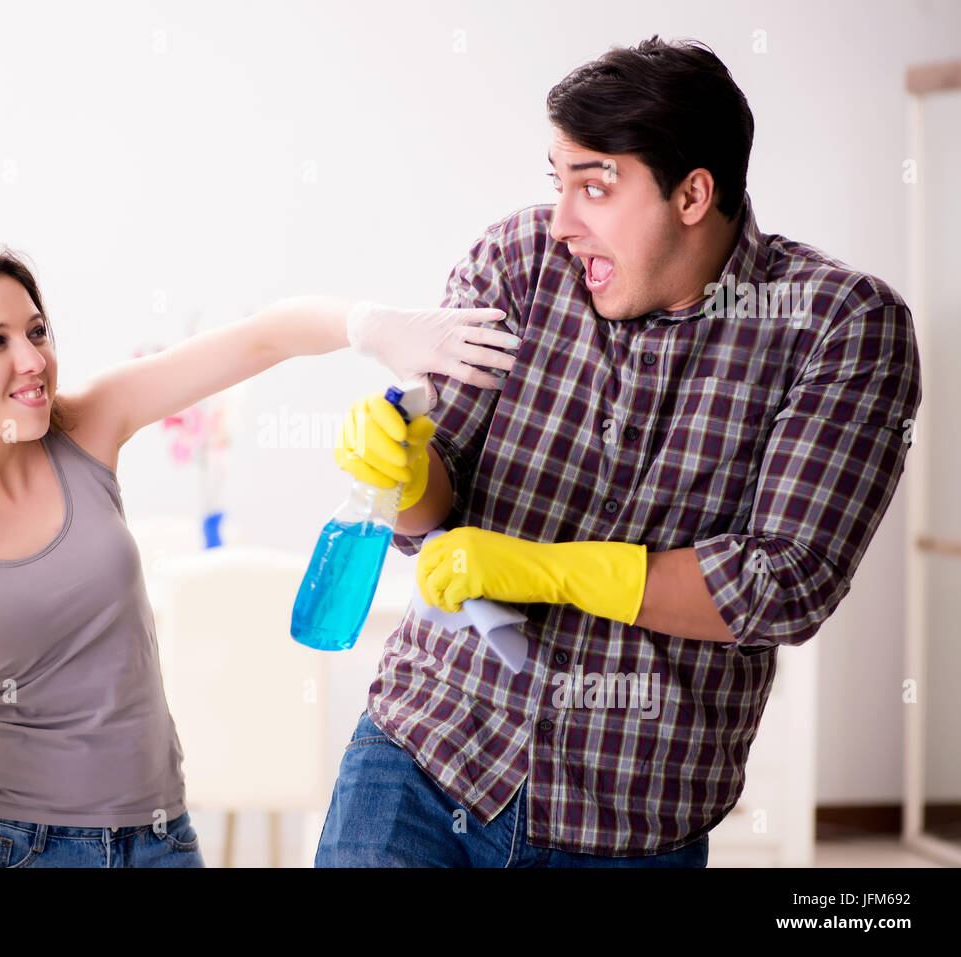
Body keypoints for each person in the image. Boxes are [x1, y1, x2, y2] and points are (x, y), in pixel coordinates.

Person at [318, 35, 923, 868]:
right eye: (557, 183)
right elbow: (431, 519)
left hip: (630, 814)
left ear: (692, 194)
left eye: (595, 187)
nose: (563, 223)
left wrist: (553, 570)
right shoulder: (521, 264)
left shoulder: (838, 324)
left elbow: (787, 582)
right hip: (425, 755)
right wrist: (403, 466)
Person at [0, 238, 519, 867]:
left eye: (37, 330)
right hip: (5, 842)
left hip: (159, 834)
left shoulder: (88, 425)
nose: (33, 359)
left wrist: (370, 326)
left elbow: (263, 337)